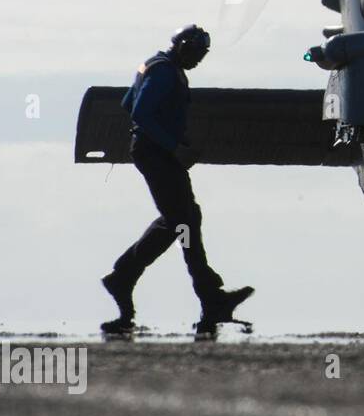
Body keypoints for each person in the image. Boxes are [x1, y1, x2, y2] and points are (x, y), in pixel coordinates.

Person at [100, 25, 253, 335]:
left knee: (182, 219)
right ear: (182, 46)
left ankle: (125, 277)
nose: (198, 61)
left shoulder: (152, 64)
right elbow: (140, 113)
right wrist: (172, 146)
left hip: (157, 153)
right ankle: (207, 296)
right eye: (195, 54)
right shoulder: (165, 72)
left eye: (202, 56)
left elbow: (127, 102)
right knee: (183, 220)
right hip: (156, 154)